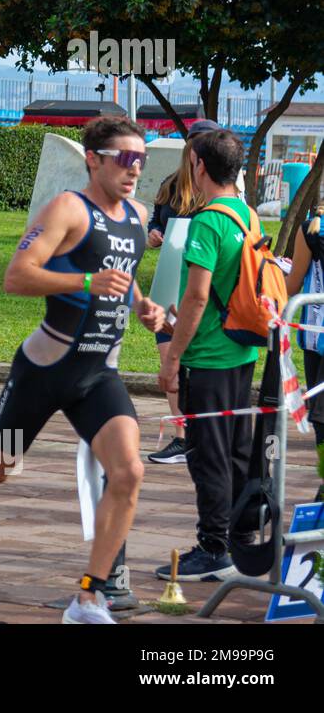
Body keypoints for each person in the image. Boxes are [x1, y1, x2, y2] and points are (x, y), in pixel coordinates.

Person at [0, 117, 164, 624]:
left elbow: (123, 277)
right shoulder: (69, 209)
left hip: (99, 375)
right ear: (94, 158)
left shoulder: (137, 215)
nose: (134, 170)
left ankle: (88, 597)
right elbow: (16, 276)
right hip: (45, 369)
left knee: (129, 470)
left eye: (142, 160)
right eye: (124, 158)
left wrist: (143, 305)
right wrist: (88, 283)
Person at [158, 129, 263, 583]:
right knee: (238, 450)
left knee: (209, 456)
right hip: (241, 349)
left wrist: (172, 357)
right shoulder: (247, 214)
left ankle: (213, 548)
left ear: (199, 165)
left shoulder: (206, 221)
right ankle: (242, 540)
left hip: (209, 356)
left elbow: (198, 298)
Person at [146, 131, 211, 464]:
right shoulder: (170, 185)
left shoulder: (217, 191)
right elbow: (155, 223)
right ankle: (182, 437)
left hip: (202, 286)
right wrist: (153, 234)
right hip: (170, 283)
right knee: (169, 357)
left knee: (197, 364)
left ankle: (203, 435)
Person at [283, 204, 324, 505]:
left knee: (322, 420)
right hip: (316, 337)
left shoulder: (312, 228)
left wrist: (269, 275)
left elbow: (292, 284)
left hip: (317, 335)